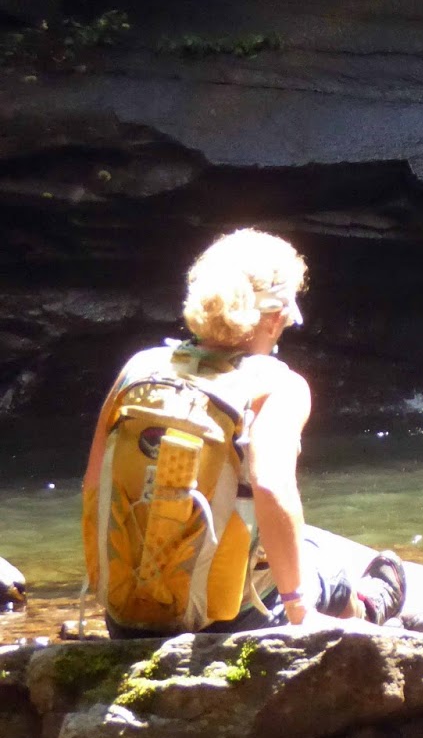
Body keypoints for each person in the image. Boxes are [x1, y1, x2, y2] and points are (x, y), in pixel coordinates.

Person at [82, 228, 405, 636]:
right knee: (322, 558)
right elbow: (271, 488)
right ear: (273, 318)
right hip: (227, 622)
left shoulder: (139, 369)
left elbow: (95, 486)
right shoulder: (278, 385)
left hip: (127, 616)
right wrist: (298, 610)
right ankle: (368, 609)